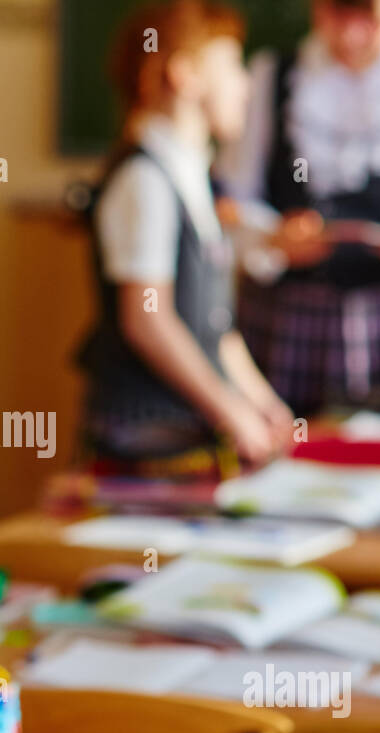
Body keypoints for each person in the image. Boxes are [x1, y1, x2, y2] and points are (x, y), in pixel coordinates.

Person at [220, 0, 380, 416]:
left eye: (371, 18)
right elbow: (229, 208)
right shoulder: (271, 77)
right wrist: (272, 240)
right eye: (337, 12)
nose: (351, 35)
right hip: (279, 327)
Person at [77, 0, 292, 477]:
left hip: (184, 439)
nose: (245, 85)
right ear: (184, 74)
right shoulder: (145, 179)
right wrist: (230, 411)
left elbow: (217, 329)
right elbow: (147, 319)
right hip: (142, 445)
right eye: (232, 65)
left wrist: (264, 405)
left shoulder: (193, 176)